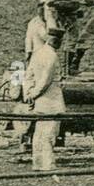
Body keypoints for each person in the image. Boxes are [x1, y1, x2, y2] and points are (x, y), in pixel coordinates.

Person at [30, 0, 92, 75]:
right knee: (53, 36)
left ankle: (67, 69)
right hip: (53, 5)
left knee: (73, 36)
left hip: (69, 5)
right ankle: (46, 67)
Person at [23, 26, 66, 171]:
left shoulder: (37, 54)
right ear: (56, 41)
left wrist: (28, 94)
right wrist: (34, 94)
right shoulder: (52, 56)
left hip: (39, 102)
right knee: (49, 133)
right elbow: (46, 81)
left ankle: (37, 163)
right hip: (51, 101)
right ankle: (48, 164)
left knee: (39, 133)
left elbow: (28, 76)